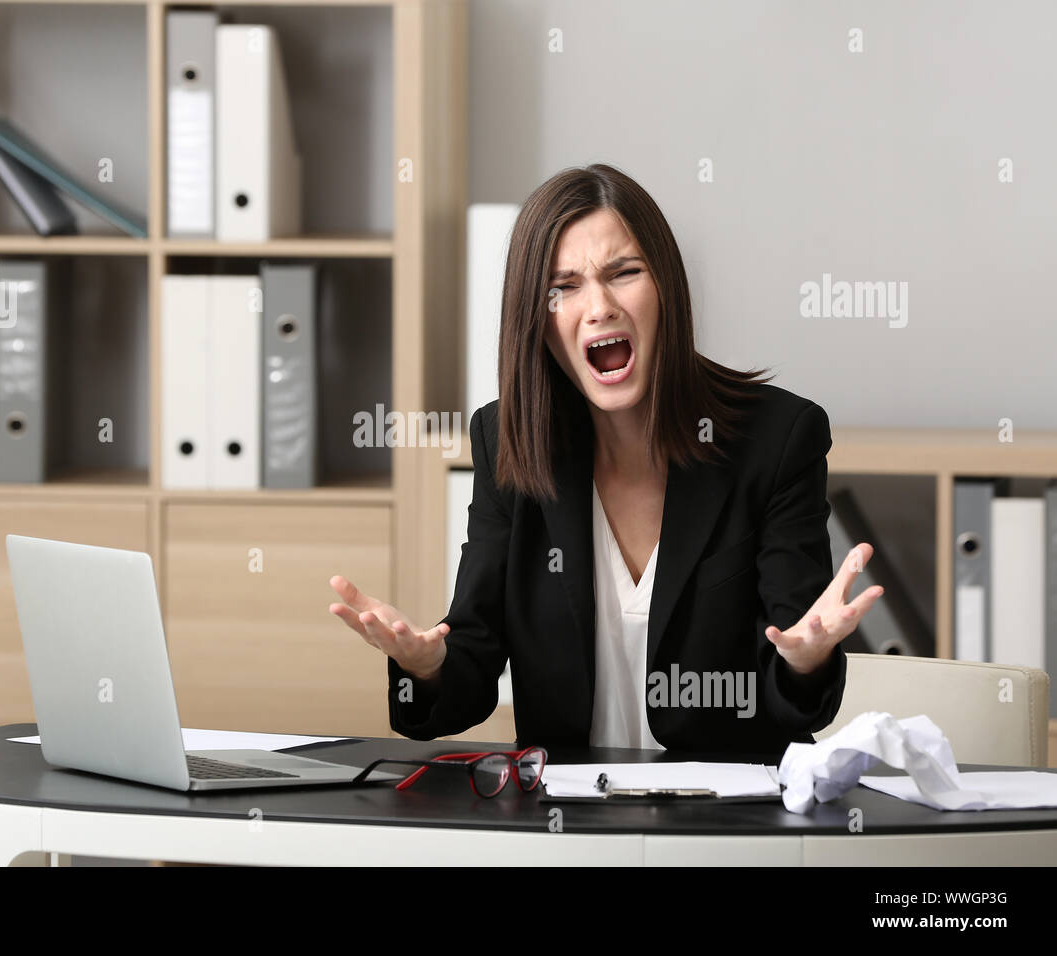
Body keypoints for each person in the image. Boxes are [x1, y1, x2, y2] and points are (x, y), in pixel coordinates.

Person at [329, 163, 884, 754]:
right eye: (561, 287)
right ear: (536, 321)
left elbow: (793, 687)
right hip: (569, 829)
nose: (598, 307)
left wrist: (804, 662)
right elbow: (469, 667)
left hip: (727, 829)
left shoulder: (776, 438)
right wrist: (426, 666)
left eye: (623, 273)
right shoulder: (508, 440)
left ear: (666, 288)